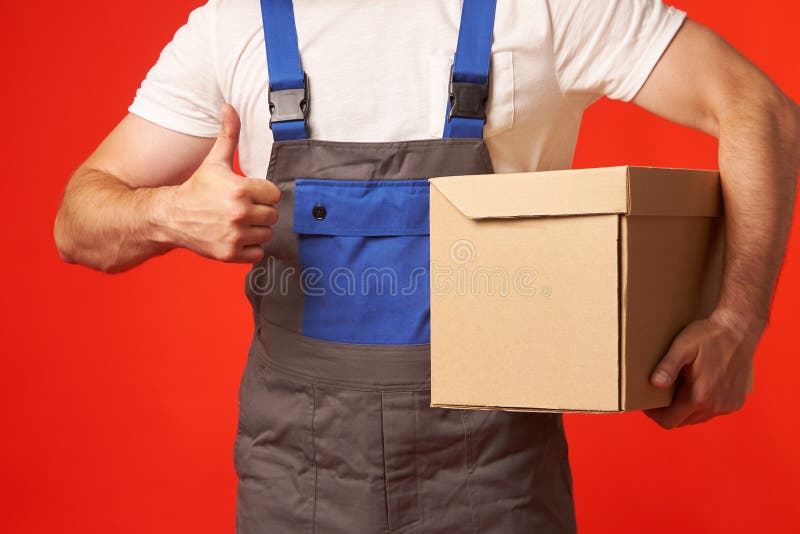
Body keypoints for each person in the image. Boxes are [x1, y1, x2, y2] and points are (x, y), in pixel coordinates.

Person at [53, 0, 799, 532]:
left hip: (495, 476)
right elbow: (77, 221)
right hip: (295, 478)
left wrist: (738, 319)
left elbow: (758, 108)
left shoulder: (545, 11)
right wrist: (167, 213)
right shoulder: (233, 26)